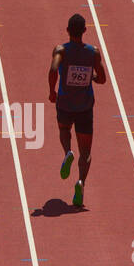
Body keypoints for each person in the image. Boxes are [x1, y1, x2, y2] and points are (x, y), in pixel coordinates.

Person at [48, 14, 107, 207]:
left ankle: (67, 152)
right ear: (84, 31)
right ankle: (81, 182)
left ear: (67, 30)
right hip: (85, 107)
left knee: (64, 130)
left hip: (65, 103)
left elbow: (53, 69)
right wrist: (92, 78)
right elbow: (103, 78)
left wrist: (52, 91)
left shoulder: (61, 50)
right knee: (86, 151)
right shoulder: (93, 52)